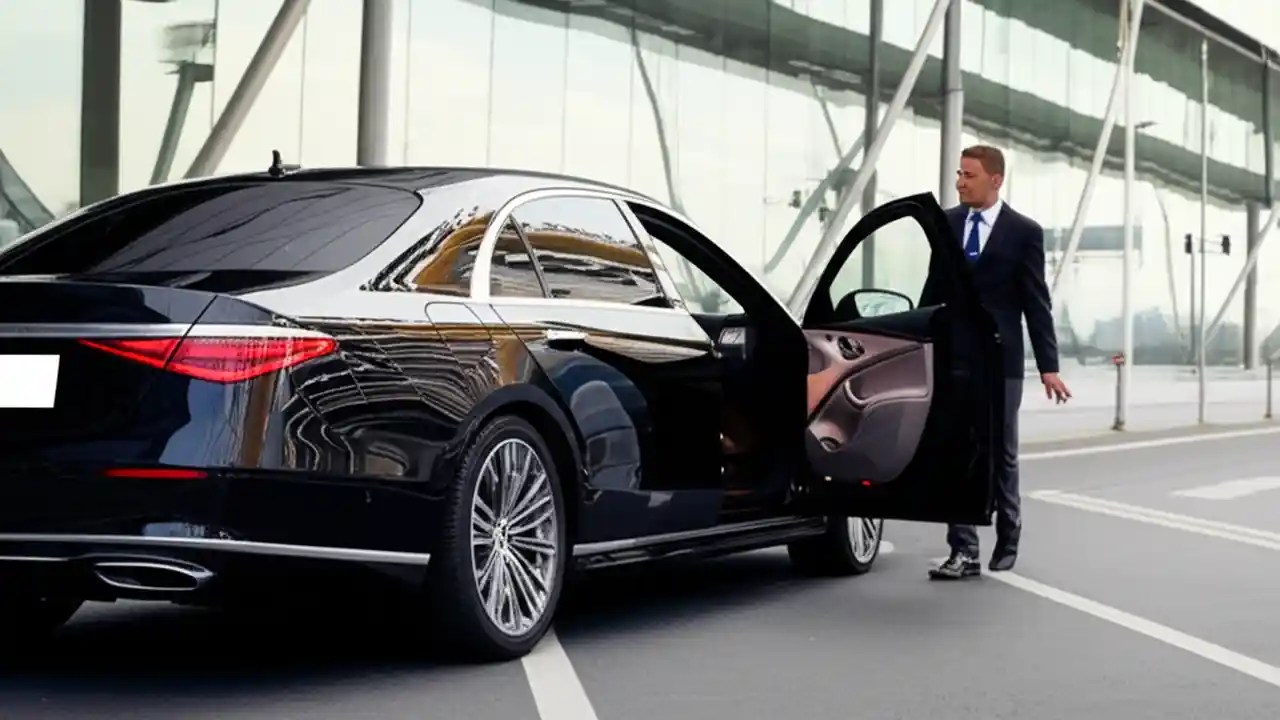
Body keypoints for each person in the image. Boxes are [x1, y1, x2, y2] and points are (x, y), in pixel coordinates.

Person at [928, 144, 1071, 580]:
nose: (959, 182)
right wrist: (915, 344)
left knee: (1000, 452)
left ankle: (1008, 533)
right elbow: (933, 291)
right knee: (956, 450)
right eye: (958, 174)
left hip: (1001, 359)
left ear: (995, 179)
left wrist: (1049, 365)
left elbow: (1036, 302)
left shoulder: (1024, 231)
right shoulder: (946, 224)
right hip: (954, 356)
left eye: (968, 175)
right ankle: (963, 551)